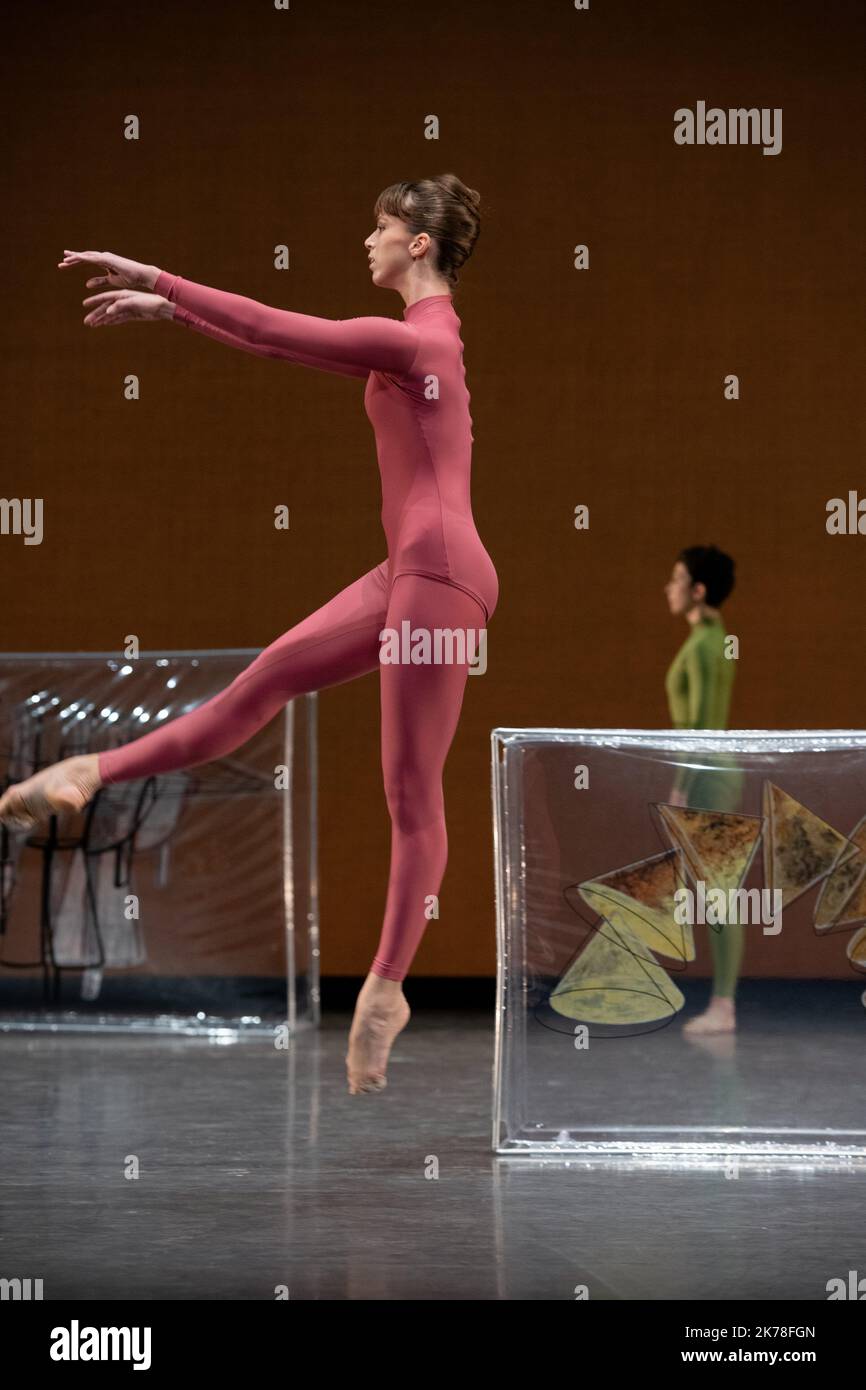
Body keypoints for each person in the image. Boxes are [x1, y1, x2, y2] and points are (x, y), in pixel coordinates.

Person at [0, 174, 498, 1094]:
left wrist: (162, 283)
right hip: (407, 570)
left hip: (440, 579)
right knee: (260, 684)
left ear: (418, 245)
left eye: (379, 227)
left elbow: (274, 331)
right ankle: (88, 773)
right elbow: (269, 337)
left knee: (409, 791)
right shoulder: (417, 341)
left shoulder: (415, 339)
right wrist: (169, 307)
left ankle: (386, 987)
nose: (368, 242)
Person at [663, 545, 744, 1035]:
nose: (666, 587)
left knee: (720, 894)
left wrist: (680, 785)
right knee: (717, 893)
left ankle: (724, 1005)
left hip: (709, 776)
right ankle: (724, 1004)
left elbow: (703, 726)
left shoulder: (704, 645)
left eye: (675, 579)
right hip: (709, 773)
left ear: (698, 590)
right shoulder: (713, 638)